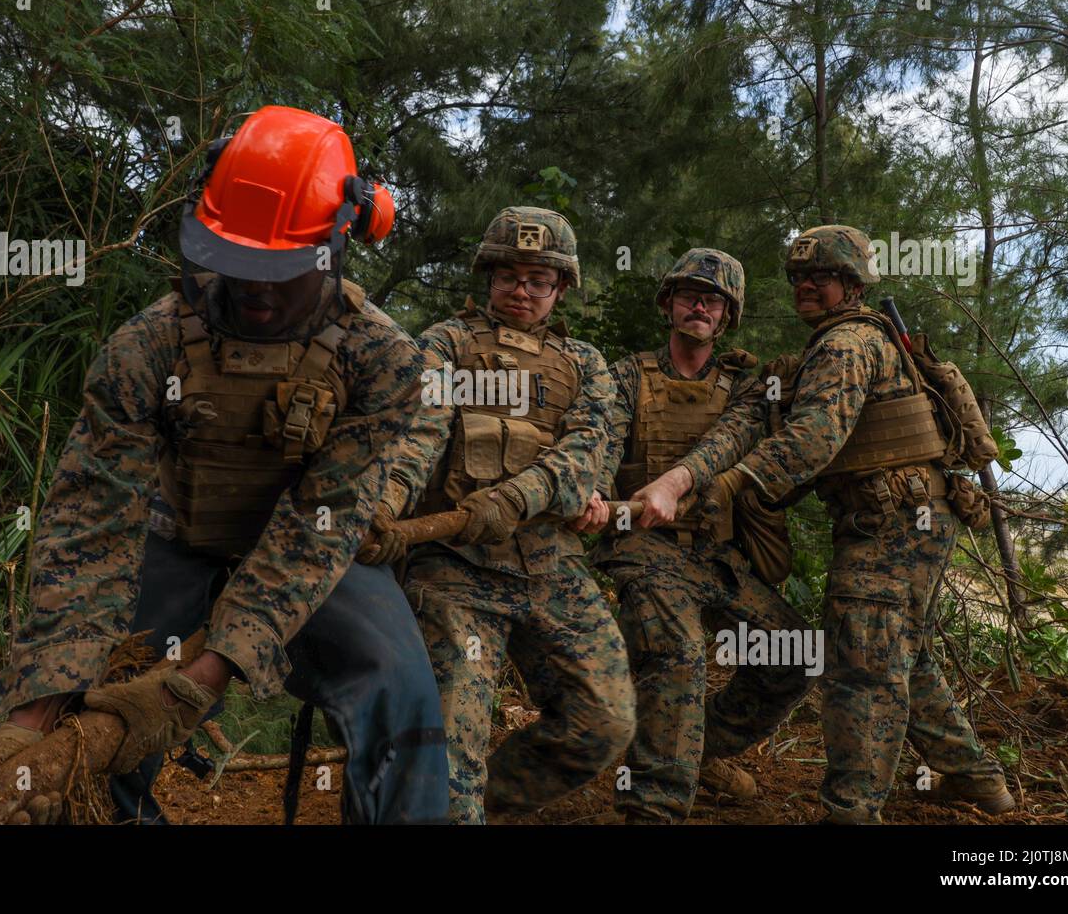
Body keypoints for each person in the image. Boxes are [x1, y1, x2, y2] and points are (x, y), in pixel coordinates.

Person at [0, 106, 448, 824]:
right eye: (233, 259)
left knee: (399, 691)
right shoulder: (147, 346)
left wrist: (199, 680)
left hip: (312, 550)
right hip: (176, 537)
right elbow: (89, 525)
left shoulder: (381, 360)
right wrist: (39, 703)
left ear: (337, 241)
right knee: (93, 702)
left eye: (275, 267)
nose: (252, 286)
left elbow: (318, 531)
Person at [676, 225, 1015, 824]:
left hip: (889, 523)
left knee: (862, 668)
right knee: (902, 653)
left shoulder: (845, 345)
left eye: (822, 277)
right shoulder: (851, 340)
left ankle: (850, 813)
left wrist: (732, 483)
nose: (807, 286)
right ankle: (977, 780)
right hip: (912, 518)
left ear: (852, 284)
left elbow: (814, 437)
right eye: (800, 277)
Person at [362, 207, 635, 824]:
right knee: (453, 743)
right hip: (454, 571)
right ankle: (450, 806)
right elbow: (419, 434)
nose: (522, 290)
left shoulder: (586, 363)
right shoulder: (446, 343)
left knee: (605, 723)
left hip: (551, 569)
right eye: (510, 275)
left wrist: (515, 498)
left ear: (560, 289)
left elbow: (582, 456)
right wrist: (385, 505)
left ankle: (476, 803)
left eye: (539, 280)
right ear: (488, 277)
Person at [581, 248, 812, 824]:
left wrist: (673, 483)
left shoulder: (744, 386)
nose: (700, 306)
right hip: (643, 547)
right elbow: (601, 442)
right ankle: (652, 809)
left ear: (726, 315)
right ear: (669, 304)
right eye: (689, 295)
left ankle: (699, 749)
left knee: (795, 654)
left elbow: (732, 441)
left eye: (712, 300)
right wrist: (590, 493)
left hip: (715, 555)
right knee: (677, 656)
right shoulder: (627, 376)